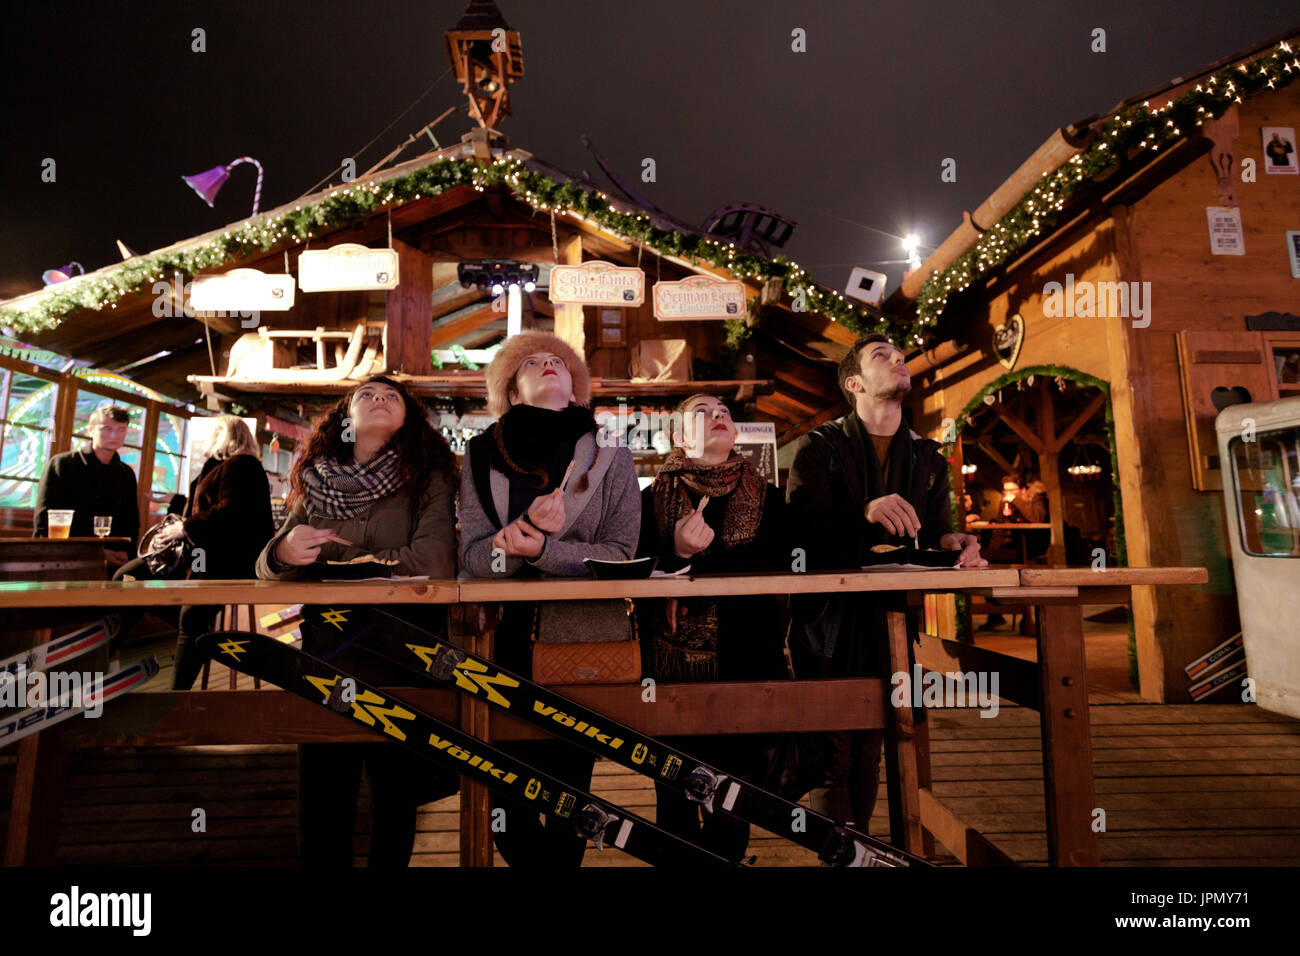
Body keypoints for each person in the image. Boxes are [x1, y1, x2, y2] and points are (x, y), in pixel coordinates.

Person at [256, 375, 460, 867]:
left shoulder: (429, 475)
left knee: (394, 796)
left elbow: (434, 560)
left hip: (403, 651)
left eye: (392, 395)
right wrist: (283, 552)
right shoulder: (318, 478)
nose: (379, 399)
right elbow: (268, 566)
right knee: (323, 794)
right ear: (346, 415)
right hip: (327, 648)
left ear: (409, 416)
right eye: (366, 394)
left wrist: (330, 566)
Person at [785, 333, 985, 831]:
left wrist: (955, 544)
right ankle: (840, 853)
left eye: (900, 354)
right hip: (827, 621)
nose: (899, 358)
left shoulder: (928, 458)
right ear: (853, 383)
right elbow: (799, 536)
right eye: (883, 356)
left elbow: (934, 533)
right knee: (831, 750)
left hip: (893, 617)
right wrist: (864, 511)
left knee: (873, 745)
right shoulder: (819, 448)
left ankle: (861, 855)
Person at [458, 331, 639, 868]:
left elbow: (623, 552)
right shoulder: (480, 455)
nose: (548, 364)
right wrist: (507, 547)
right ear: (513, 392)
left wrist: (545, 551)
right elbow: (470, 557)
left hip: (580, 636)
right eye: (533, 362)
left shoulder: (611, 455)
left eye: (558, 360)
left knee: (569, 791)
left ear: (575, 387)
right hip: (498, 639)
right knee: (506, 795)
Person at [636, 393, 788, 862]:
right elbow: (633, 566)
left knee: (736, 796)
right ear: (680, 436)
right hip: (671, 667)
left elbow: (781, 563)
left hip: (749, 658)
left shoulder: (770, 498)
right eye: (702, 412)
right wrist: (675, 556)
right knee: (673, 787)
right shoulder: (649, 498)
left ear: (735, 432)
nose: (718, 415)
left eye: (724, 411)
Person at [113, 416, 274, 689]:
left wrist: (183, 528)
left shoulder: (242, 465)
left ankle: (177, 694)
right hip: (206, 557)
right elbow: (205, 506)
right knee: (128, 580)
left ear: (227, 435)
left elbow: (232, 512)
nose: (207, 438)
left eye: (214, 432)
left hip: (226, 561)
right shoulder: (223, 466)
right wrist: (174, 503)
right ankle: (111, 658)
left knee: (187, 614)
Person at [34, 405, 139, 569]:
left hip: (114, 565)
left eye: (121, 430)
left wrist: (127, 552)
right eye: (107, 428)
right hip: (62, 563)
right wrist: (93, 553)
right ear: (91, 430)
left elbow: (131, 522)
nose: (114, 435)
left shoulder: (126, 474)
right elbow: (44, 522)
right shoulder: (62, 464)